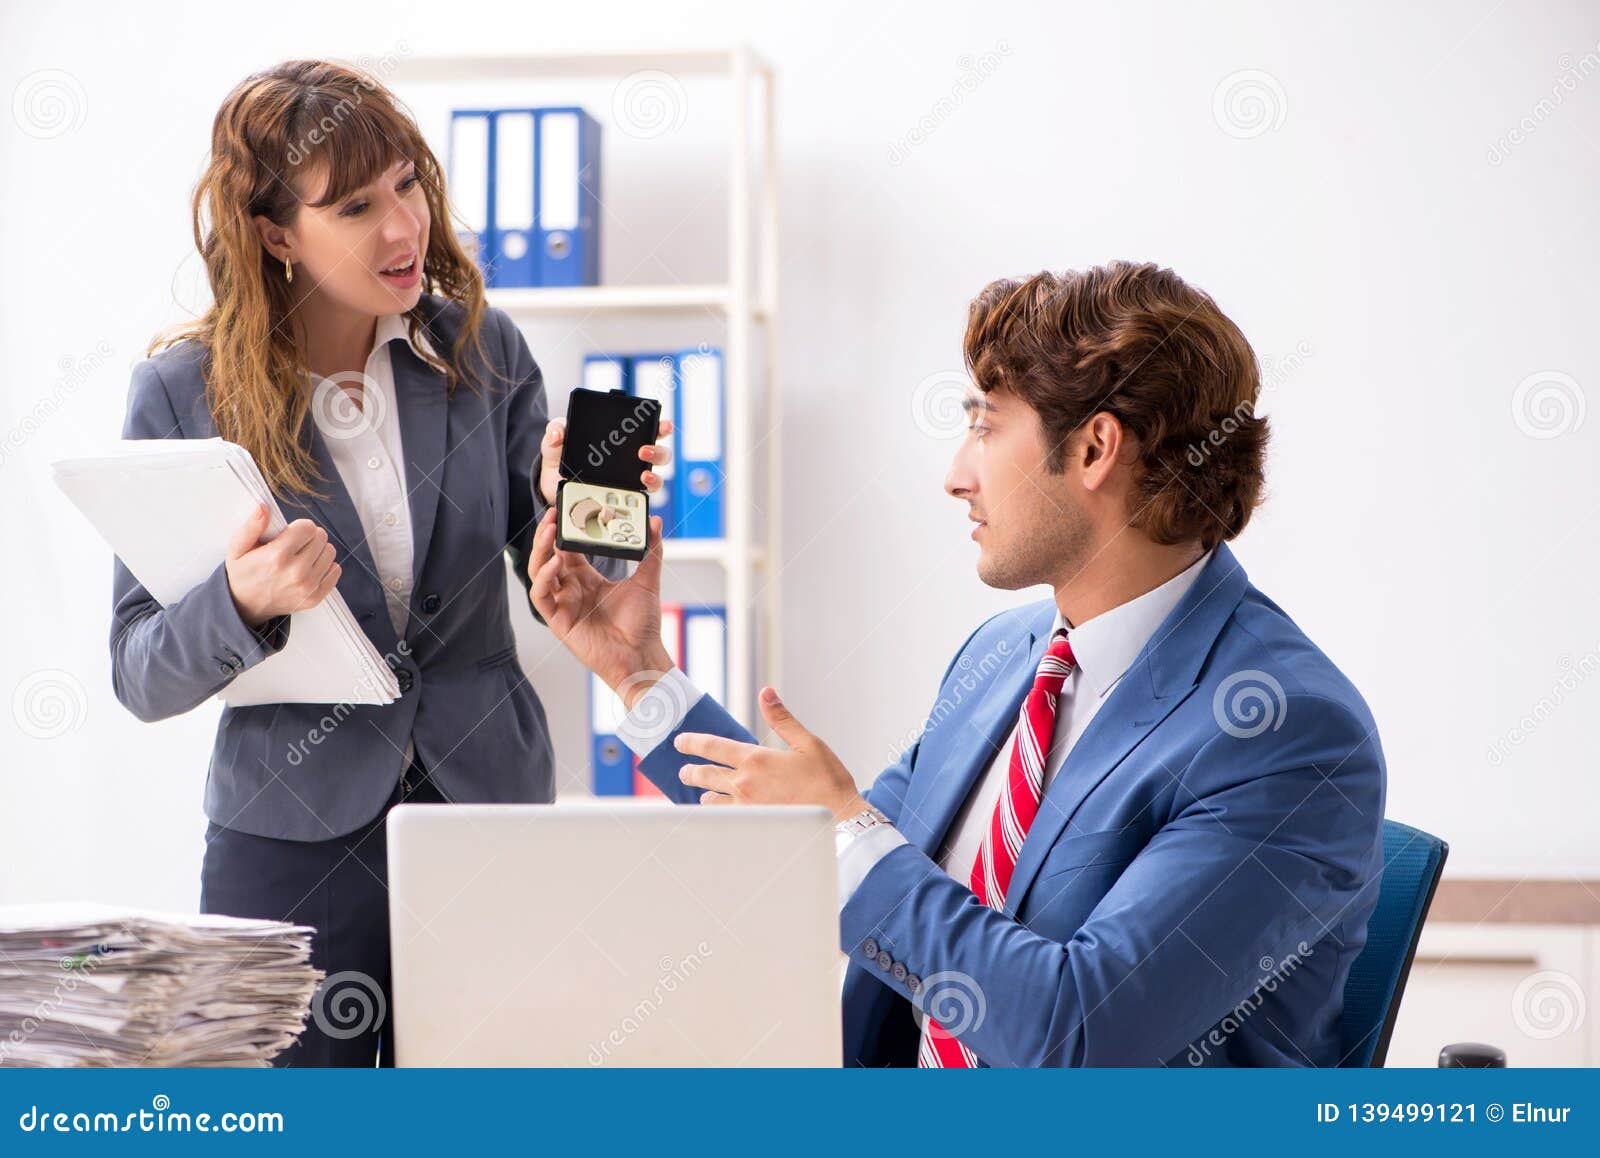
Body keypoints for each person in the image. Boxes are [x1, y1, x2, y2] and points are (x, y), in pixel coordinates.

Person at [528, 261, 1386, 1067]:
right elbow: (810, 856)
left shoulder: (1285, 731)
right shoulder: (1005, 658)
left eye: (984, 425)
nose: (955, 475)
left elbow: (1076, 1032)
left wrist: (848, 832)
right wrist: (639, 672)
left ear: (1095, 449)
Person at [109, 60, 670, 1066]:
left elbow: (558, 595)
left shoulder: (482, 352)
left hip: (482, 809)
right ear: (275, 234)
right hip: (289, 833)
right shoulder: (180, 393)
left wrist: (572, 516)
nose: (403, 229)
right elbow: (139, 671)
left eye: (408, 184)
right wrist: (239, 599)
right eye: (356, 205)